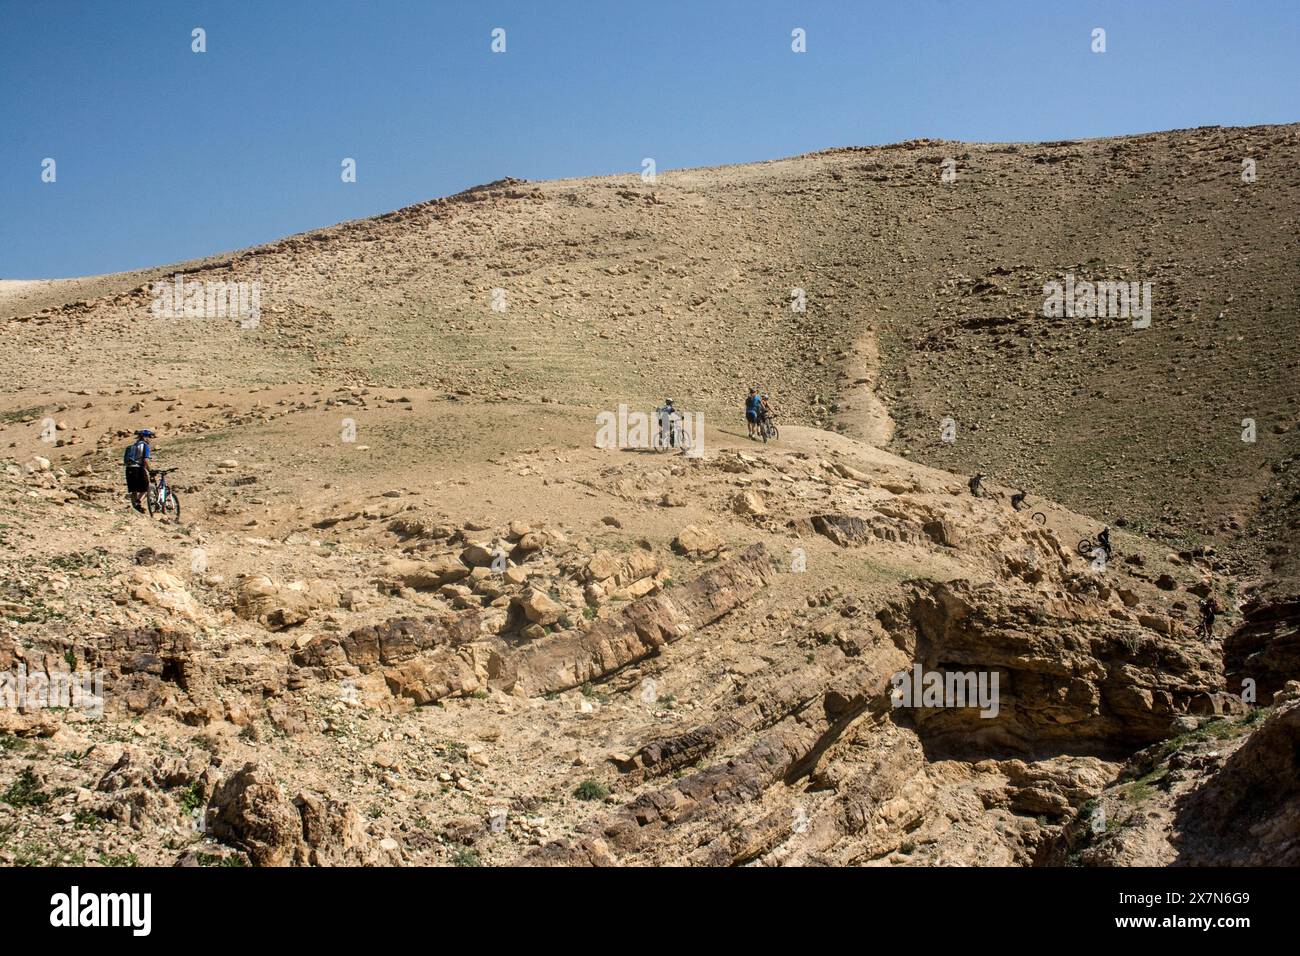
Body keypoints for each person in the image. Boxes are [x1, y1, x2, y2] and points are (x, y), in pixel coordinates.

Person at [123, 429, 154, 513]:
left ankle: (135, 507)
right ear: (144, 437)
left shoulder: (134, 446)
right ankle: (138, 503)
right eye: (149, 437)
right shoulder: (145, 446)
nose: (150, 439)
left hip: (129, 469)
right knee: (146, 487)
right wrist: (150, 471)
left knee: (134, 490)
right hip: (138, 468)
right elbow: (145, 460)